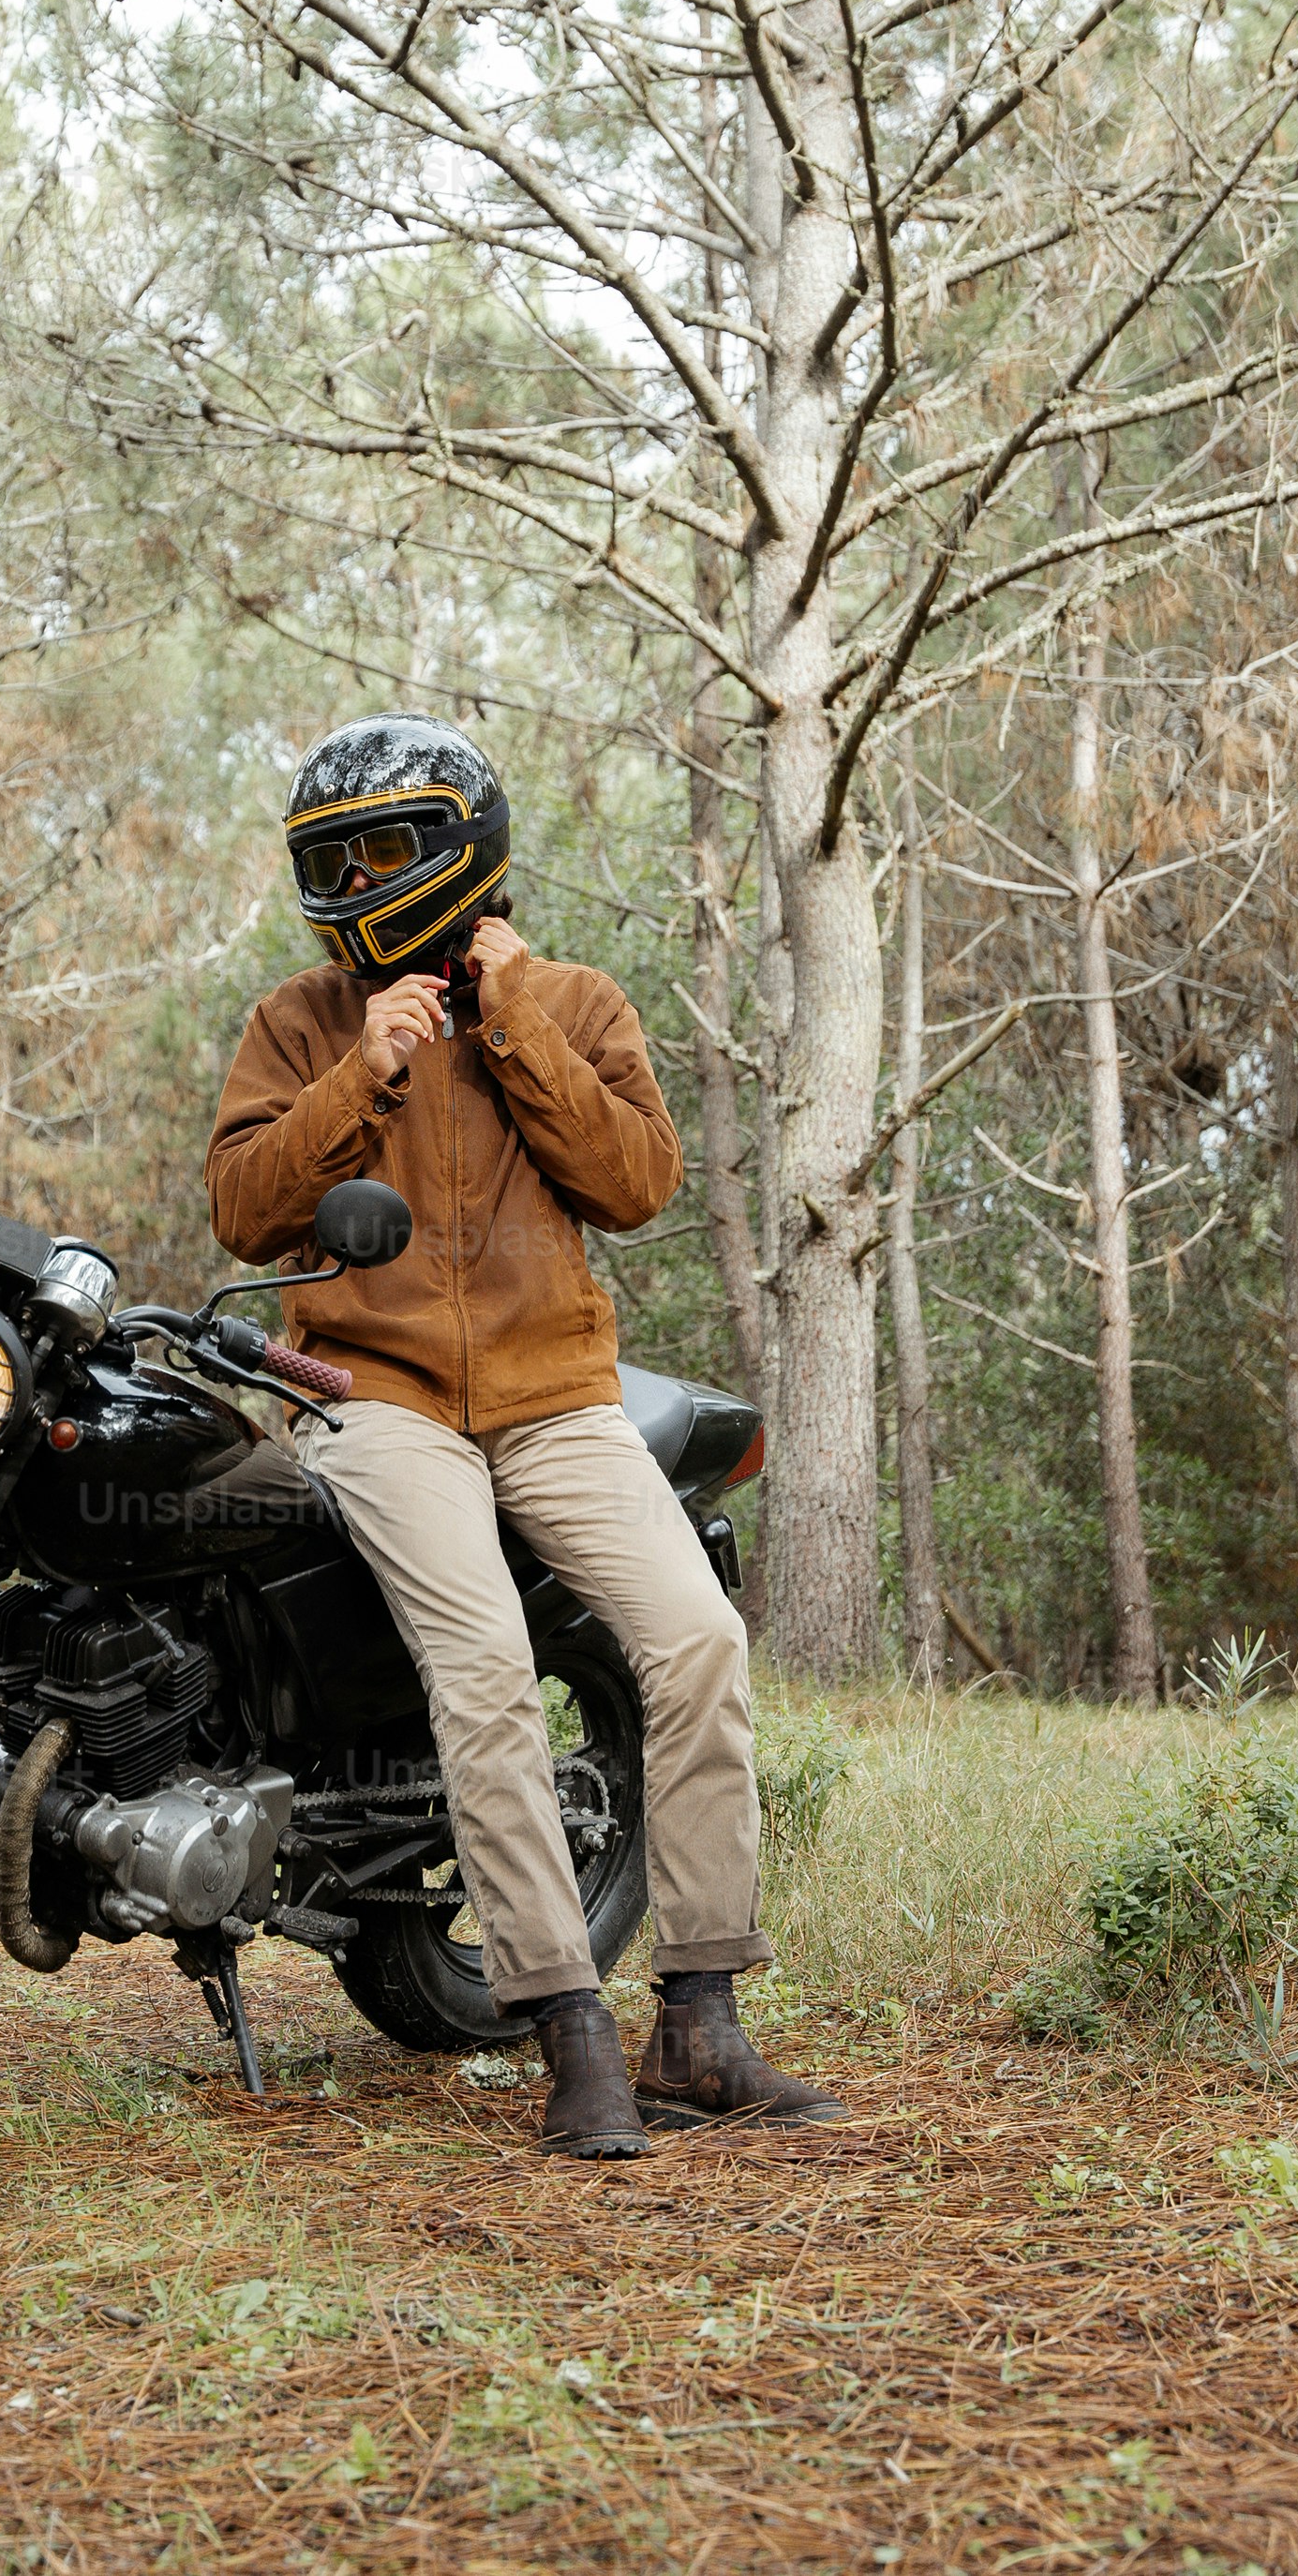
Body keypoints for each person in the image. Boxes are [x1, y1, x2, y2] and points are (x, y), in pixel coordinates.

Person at [205, 711, 842, 2158]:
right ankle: (566, 2025)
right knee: (483, 1661)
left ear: (457, 849)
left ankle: (698, 2020)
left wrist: (516, 1022)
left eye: (380, 850)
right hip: (376, 1399)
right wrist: (360, 1069)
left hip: (560, 1397)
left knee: (698, 1640)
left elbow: (637, 1181)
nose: (355, 879)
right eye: (333, 858)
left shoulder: (574, 997)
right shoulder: (300, 1021)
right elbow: (244, 1207)